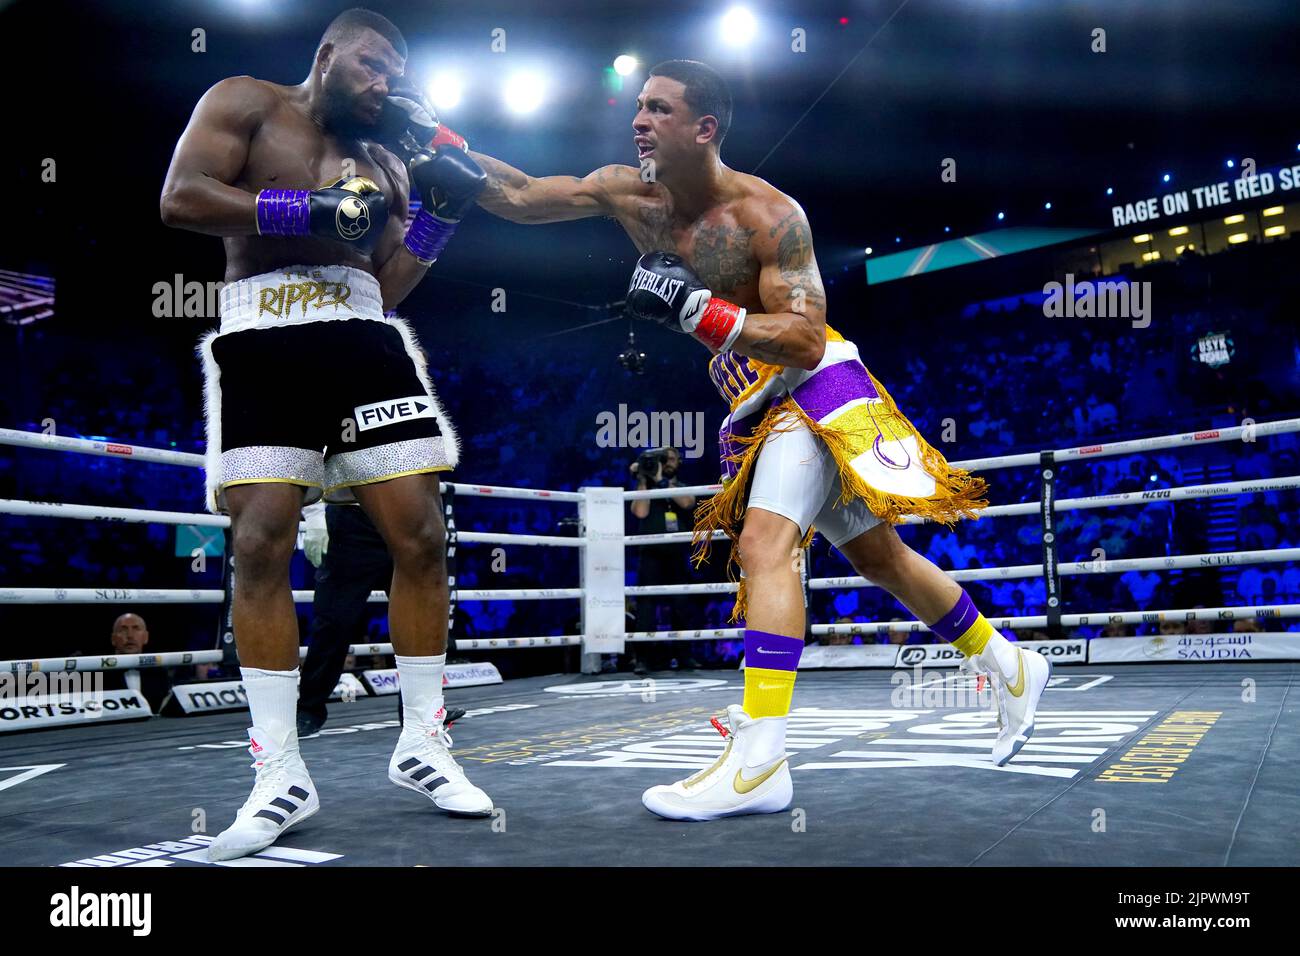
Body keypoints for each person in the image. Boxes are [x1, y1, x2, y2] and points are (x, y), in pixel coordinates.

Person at [469, 59, 1051, 820]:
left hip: (816, 385)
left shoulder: (769, 217)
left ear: (704, 129)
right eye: (639, 107)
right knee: (881, 560)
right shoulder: (628, 192)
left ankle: (762, 761)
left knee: (765, 548)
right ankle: (1009, 665)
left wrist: (701, 312)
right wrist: (432, 142)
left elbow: (807, 339)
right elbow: (519, 194)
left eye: (659, 109)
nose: (638, 119)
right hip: (753, 398)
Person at [160, 8, 492, 861]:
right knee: (262, 544)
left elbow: (387, 284)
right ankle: (280, 774)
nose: (386, 87)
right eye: (373, 67)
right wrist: (298, 208)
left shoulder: (386, 161)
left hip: (361, 335)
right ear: (329, 55)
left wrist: (437, 222)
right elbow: (181, 199)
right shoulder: (246, 101)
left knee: (419, 537)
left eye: (397, 75)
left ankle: (423, 740)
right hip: (264, 336)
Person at [298, 499, 467, 735]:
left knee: (421, 619)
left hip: (409, 518)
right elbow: (317, 461)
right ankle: (308, 708)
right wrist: (315, 517)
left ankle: (424, 708)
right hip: (352, 519)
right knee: (333, 620)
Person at [628, 446, 698, 673]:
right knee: (646, 607)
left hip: (677, 553)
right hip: (650, 552)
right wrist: (643, 479)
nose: (667, 463)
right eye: (662, 459)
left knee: (681, 605)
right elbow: (639, 512)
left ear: (679, 463)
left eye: (671, 459)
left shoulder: (682, 487)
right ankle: (643, 659)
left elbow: (687, 502)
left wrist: (661, 481)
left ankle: (684, 657)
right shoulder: (645, 487)